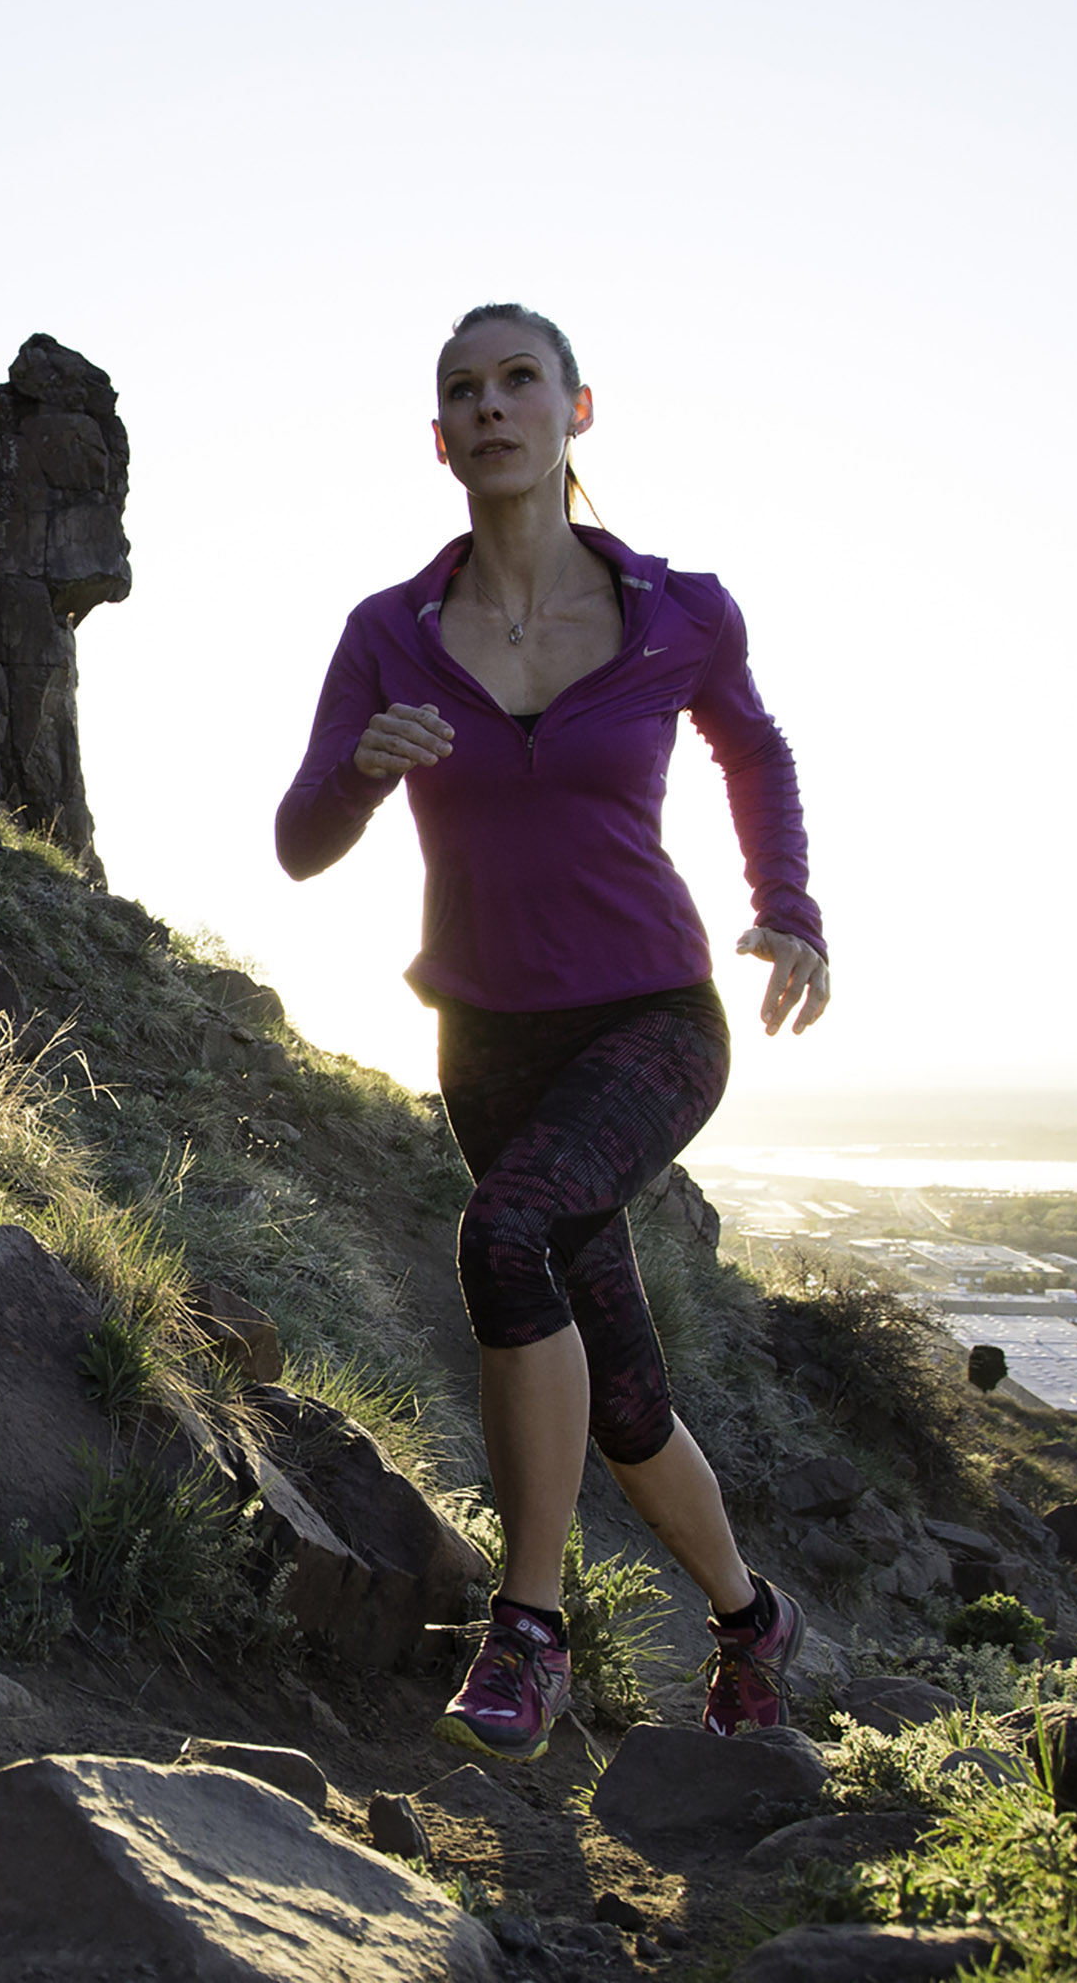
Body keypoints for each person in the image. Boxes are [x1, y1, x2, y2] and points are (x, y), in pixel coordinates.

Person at [273, 304, 832, 1762]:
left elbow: (753, 747)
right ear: (439, 436)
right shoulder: (389, 633)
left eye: (522, 380)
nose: (491, 405)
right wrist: (360, 773)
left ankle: (528, 1635)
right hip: (486, 1038)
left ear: (578, 412)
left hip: (653, 1015)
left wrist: (789, 907)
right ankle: (748, 1619)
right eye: (463, 389)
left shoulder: (673, 608)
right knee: (625, 1395)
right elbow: (297, 842)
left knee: (504, 1237)